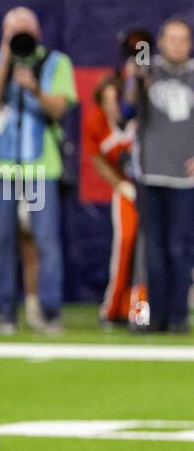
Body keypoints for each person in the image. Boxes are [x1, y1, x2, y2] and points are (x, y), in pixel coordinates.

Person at [0, 6, 77, 335]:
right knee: (2, 240)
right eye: (12, 32)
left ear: (38, 35)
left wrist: (34, 87)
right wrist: (7, 59)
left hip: (40, 166)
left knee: (46, 241)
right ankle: (4, 311)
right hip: (3, 166)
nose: (20, 37)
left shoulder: (56, 62)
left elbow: (61, 109)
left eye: (25, 32)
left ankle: (50, 313)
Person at [127, 17, 194, 333]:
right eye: (172, 39)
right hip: (151, 174)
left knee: (179, 249)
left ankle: (178, 316)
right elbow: (127, 109)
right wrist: (137, 79)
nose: (178, 45)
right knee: (150, 250)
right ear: (162, 41)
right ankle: (150, 316)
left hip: (185, 178)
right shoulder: (148, 70)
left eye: (184, 39)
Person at [83, 70, 139, 327]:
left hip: (152, 186)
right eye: (105, 101)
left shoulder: (137, 116)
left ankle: (141, 307)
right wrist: (121, 185)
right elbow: (98, 162)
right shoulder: (96, 122)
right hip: (126, 189)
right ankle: (113, 306)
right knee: (125, 242)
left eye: (114, 100)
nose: (111, 107)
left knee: (152, 248)